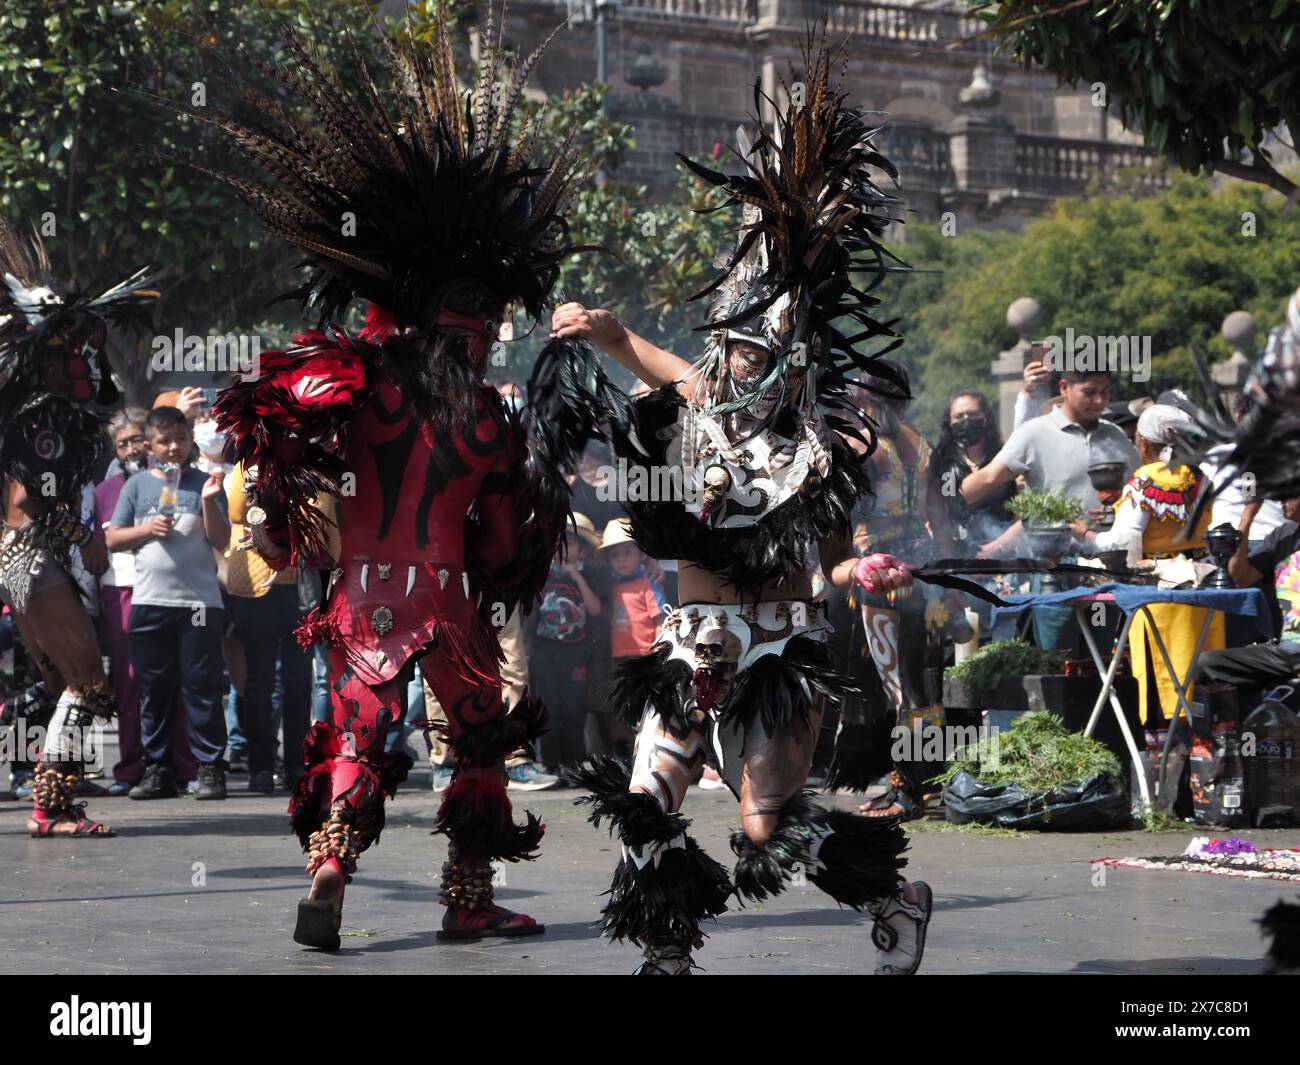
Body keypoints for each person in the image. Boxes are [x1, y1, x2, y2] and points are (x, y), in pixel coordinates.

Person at [191, 10, 591, 949]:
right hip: (449, 603)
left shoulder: (357, 386)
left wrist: (283, 534)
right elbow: (498, 547)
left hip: (365, 597)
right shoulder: (491, 419)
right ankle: (467, 899)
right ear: (477, 328)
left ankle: (330, 871)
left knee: (356, 737)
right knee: (479, 741)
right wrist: (516, 549)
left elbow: (264, 426)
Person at [545, 36, 932, 975]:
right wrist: (605, 330)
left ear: (787, 363)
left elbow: (837, 550)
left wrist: (860, 568)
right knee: (647, 802)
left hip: (780, 656)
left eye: (748, 354)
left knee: (766, 829)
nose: (726, 365)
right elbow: (665, 364)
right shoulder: (696, 413)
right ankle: (670, 950)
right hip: (688, 646)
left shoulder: (816, 447)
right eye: (720, 350)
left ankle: (892, 895)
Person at [0, 219, 156, 837]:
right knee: (90, 680)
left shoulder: (46, 410)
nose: (92, 357)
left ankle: (51, 803)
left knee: (68, 682)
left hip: (27, 560)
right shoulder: (45, 413)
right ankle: (53, 807)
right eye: (80, 345)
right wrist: (83, 537)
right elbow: (29, 497)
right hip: (32, 556)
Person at [1073, 404, 1225, 741]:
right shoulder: (1199, 477)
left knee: (1165, 683)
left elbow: (1124, 541)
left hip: (1160, 594)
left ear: (1142, 441)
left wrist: (1085, 534)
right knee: (1202, 685)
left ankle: (1163, 777)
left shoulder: (1145, 481)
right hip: (1201, 589)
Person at [107, 406, 231, 801]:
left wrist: (210, 501)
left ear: (190, 440)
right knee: (154, 689)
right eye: (164, 440)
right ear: (151, 445)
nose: (173, 447)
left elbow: (221, 540)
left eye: (180, 439)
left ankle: (209, 768)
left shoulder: (205, 483)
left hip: (198, 603)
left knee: (202, 687)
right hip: (149, 601)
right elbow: (112, 539)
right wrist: (147, 529)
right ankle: (157, 769)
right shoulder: (137, 486)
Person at [527, 514, 604, 771]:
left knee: (574, 707)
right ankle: (550, 763)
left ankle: (573, 762)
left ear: (581, 551)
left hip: (576, 651)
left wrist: (577, 578)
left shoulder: (590, 576)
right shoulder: (542, 576)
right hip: (545, 651)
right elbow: (531, 612)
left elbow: (595, 610)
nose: (564, 550)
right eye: (558, 544)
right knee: (549, 707)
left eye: (570, 545)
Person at [596, 518, 668, 759]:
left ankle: (652, 749)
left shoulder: (647, 584)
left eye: (628, 552)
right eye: (616, 555)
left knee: (650, 702)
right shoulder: (611, 587)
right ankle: (628, 748)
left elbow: (659, 619)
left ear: (641, 555)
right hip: (620, 655)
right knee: (624, 703)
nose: (622, 559)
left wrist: (659, 650)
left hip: (645, 653)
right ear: (608, 560)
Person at [928, 389, 1015, 559]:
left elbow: (1025, 516)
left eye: (973, 414)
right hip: (961, 557)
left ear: (986, 417)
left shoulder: (1004, 459)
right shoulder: (945, 465)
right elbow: (943, 510)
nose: (966, 421)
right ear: (949, 422)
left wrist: (994, 549)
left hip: (1004, 556)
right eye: (959, 416)